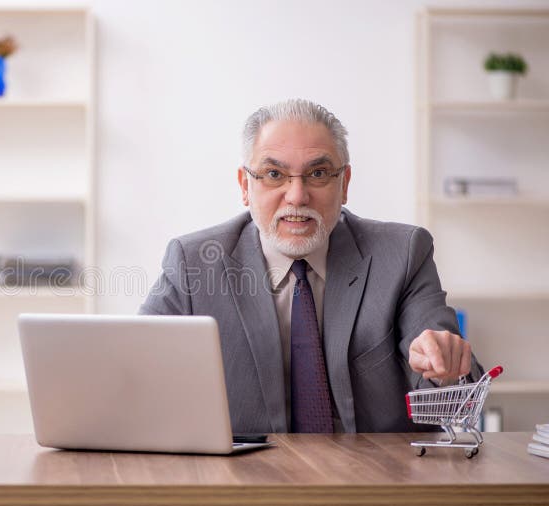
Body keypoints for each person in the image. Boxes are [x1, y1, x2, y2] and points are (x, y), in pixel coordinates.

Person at [139, 99, 483, 433]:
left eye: (318, 173)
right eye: (274, 174)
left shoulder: (403, 255)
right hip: (241, 480)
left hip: (373, 479)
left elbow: (456, 402)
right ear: (246, 186)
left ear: (344, 183)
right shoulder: (193, 263)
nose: (297, 195)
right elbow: (133, 371)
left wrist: (445, 368)